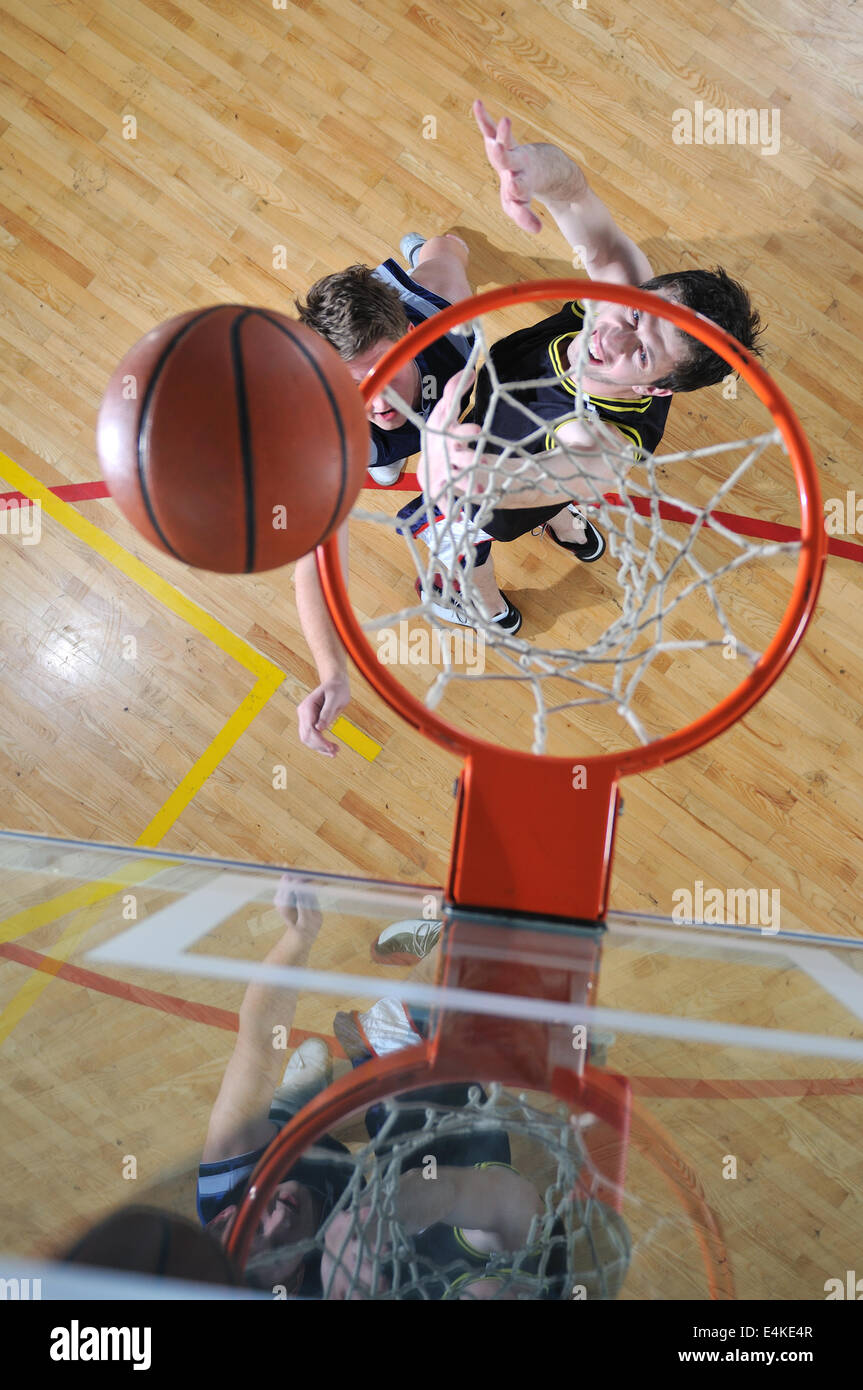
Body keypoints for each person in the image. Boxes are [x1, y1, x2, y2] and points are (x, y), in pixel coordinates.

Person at [416, 100, 764, 621]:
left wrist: (463, 476)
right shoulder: (620, 290)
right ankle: (566, 526)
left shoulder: (610, 440)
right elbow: (573, 191)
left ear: (657, 388)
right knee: (552, 505)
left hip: (496, 484)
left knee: (465, 537)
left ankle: (483, 601)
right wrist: (527, 167)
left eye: (643, 352)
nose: (614, 335)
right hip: (486, 413)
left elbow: (559, 474)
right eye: (633, 312)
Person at [294, 235, 497, 756]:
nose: (378, 399)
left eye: (386, 368)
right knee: (377, 461)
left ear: (408, 334)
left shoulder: (450, 331)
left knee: (447, 253)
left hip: (432, 364)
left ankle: (417, 249)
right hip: (364, 439)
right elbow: (315, 561)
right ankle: (386, 459)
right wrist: (331, 671)